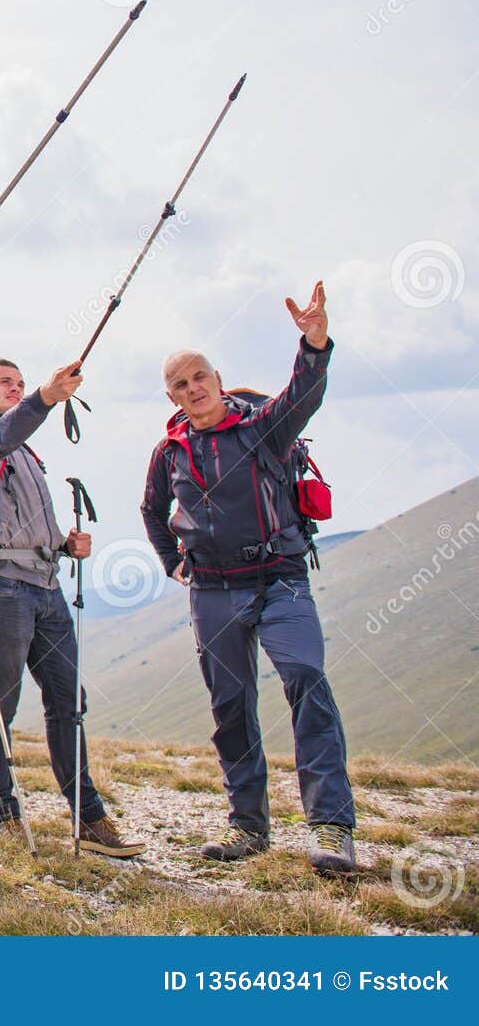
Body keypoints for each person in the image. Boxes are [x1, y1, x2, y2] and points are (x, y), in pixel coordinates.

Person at [141, 281, 356, 875]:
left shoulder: (263, 426)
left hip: (280, 579)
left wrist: (314, 343)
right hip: (210, 589)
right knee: (230, 706)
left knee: (306, 679)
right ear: (172, 396)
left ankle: (332, 829)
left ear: (216, 377)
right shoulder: (170, 451)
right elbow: (150, 510)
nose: (193, 389)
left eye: (199, 377)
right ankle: (247, 827)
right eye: (180, 385)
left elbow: (303, 396)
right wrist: (170, 560)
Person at [0, 357, 145, 856]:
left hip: (46, 585)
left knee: (67, 704)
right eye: (4, 383)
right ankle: (5, 818)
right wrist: (45, 398)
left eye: (20, 384)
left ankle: (91, 820)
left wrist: (62, 544)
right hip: (0, 585)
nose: (15, 389)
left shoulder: (27, 453)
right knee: (0, 704)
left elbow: (22, 519)